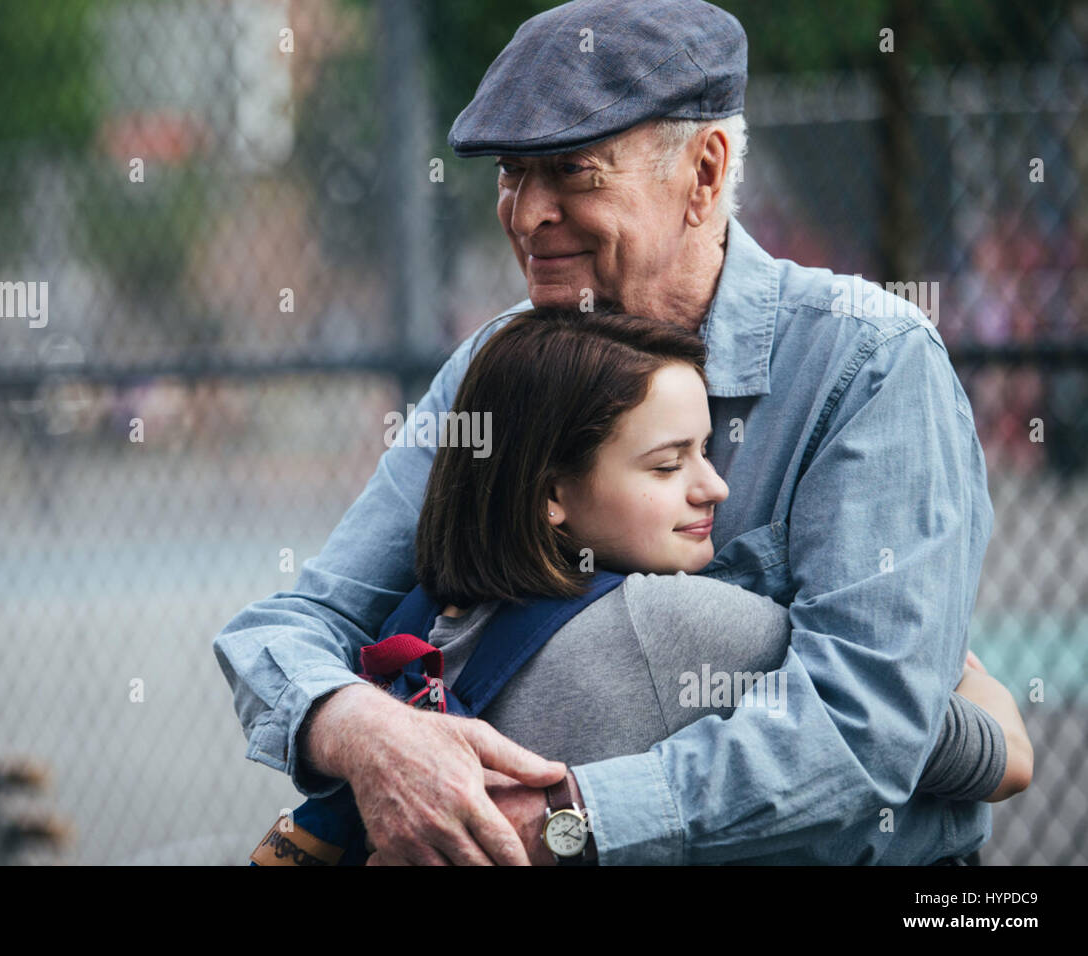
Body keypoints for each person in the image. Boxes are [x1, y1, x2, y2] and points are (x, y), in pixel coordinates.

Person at [214, 0, 1004, 865]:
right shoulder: (501, 364)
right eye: (513, 173)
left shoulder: (868, 362)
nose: (526, 213)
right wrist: (368, 732)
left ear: (704, 173)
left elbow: (865, 725)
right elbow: (294, 624)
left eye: (573, 172)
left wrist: (569, 818)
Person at [251, 308, 1031, 866]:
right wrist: (969, 679)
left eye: (706, 451)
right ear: (551, 493)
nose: (716, 488)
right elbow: (976, 754)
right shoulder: (670, 626)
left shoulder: (425, 627)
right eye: (669, 465)